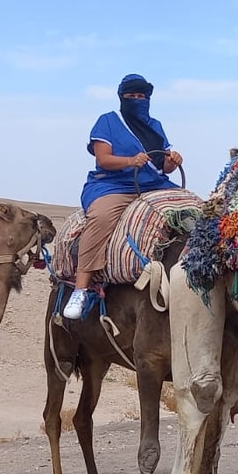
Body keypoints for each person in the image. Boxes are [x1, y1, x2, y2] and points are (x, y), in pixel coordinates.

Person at [62, 74, 184, 319]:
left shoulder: (155, 125)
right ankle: (81, 287)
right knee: (102, 217)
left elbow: (162, 165)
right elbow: (103, 159)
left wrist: (173, 162)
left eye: (142, 96)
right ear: (122, 98)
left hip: (154, 184)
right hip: (113, 185)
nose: (138, 100)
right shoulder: (108, 121)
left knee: (191, 211)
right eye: (132, 96)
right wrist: (131, 160)